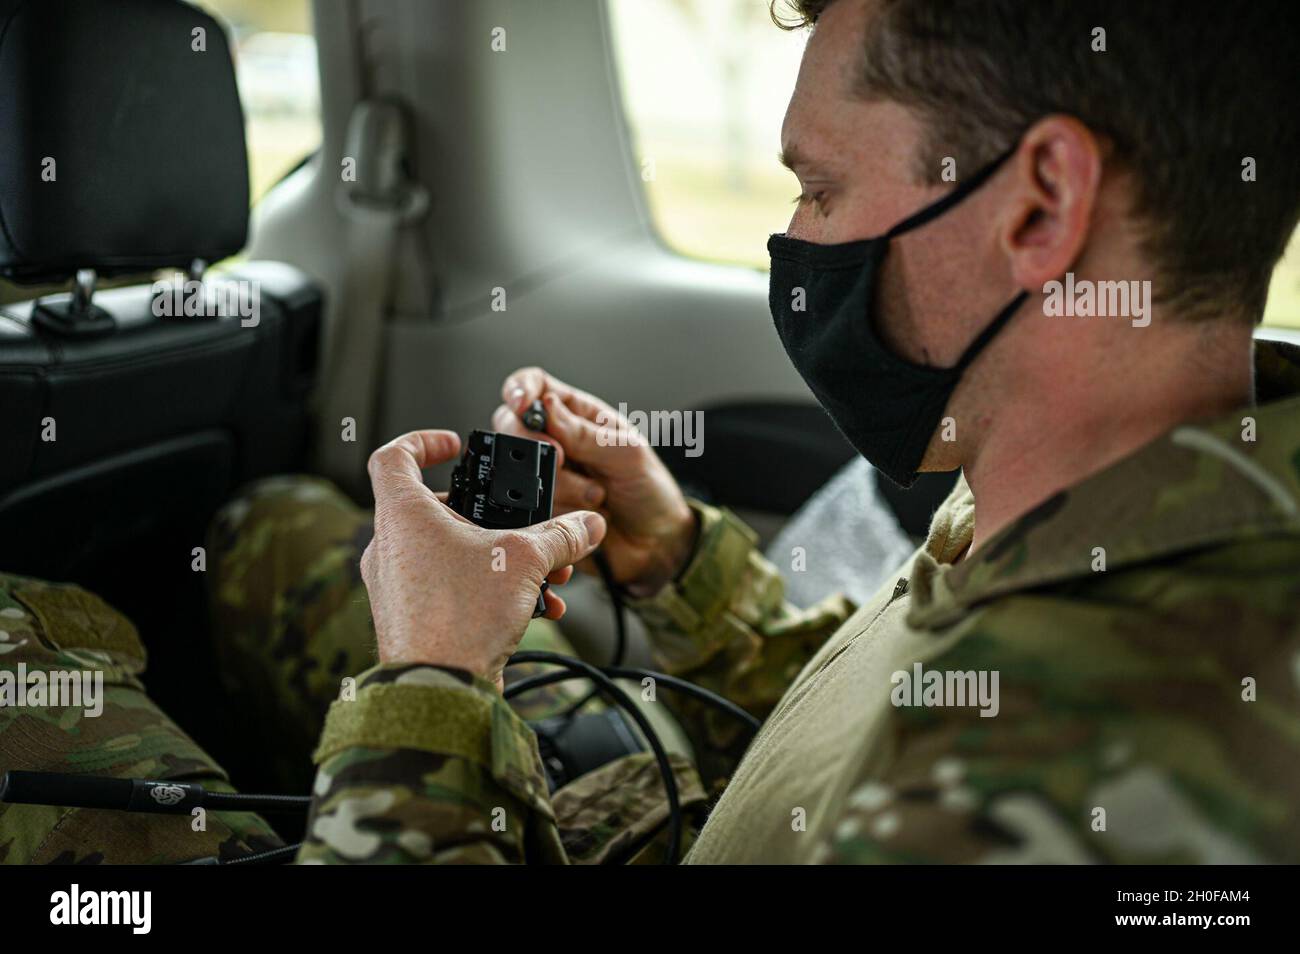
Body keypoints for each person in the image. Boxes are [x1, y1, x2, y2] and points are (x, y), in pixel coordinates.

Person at [4, 0, 1300, 864]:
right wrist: (682, 557)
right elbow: (866, 708)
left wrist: (433, 687)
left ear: (1038, 211)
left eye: (821, 185)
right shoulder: (1108, 499)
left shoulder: (1083, 780)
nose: (793, 240)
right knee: (276, 529)